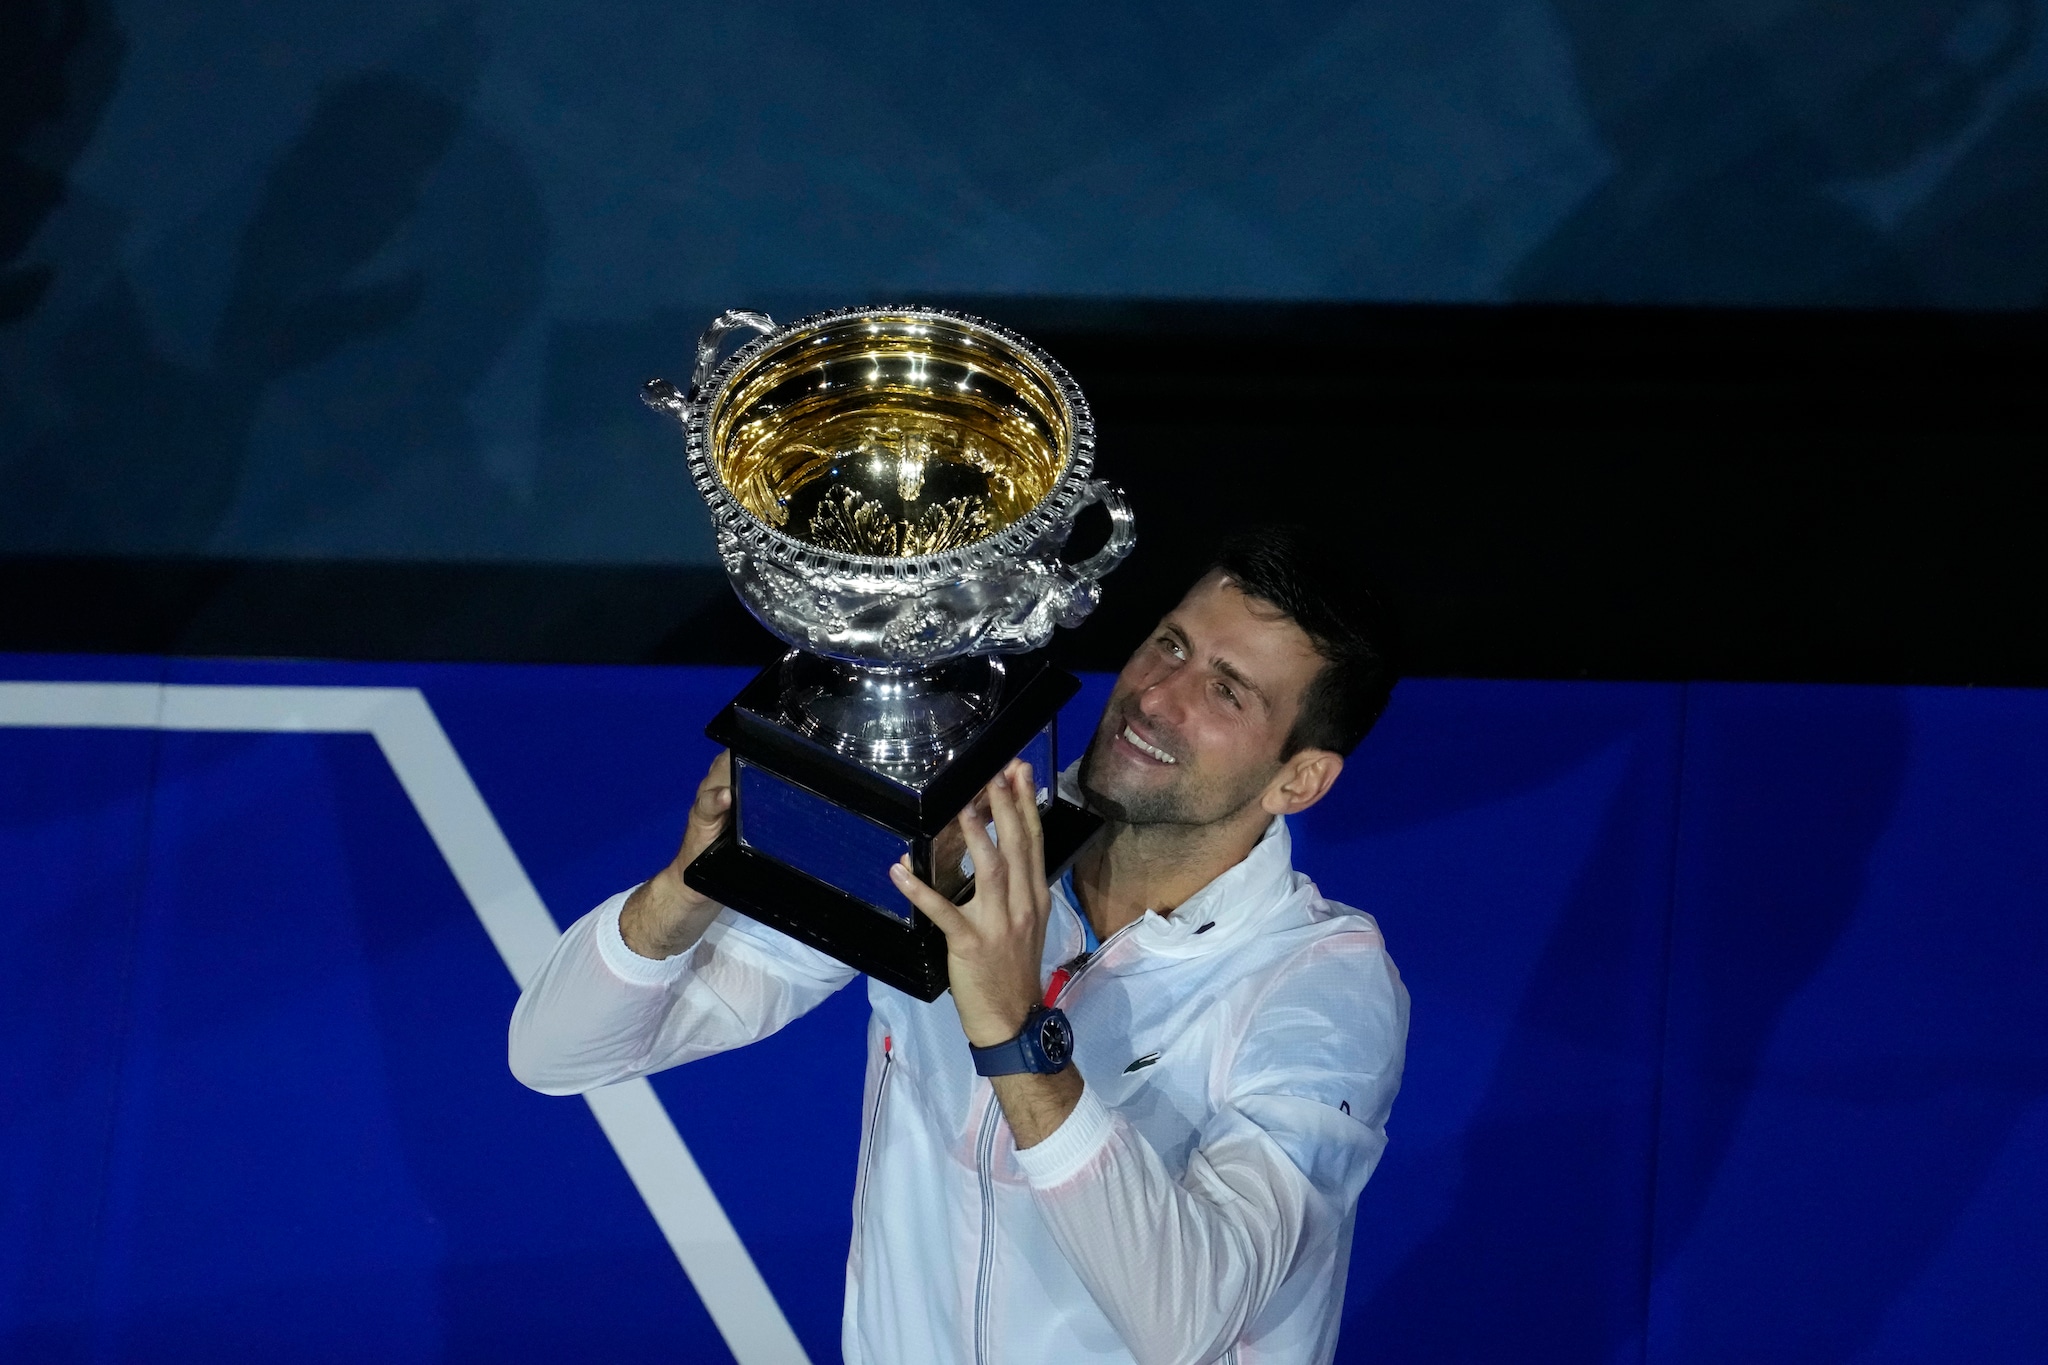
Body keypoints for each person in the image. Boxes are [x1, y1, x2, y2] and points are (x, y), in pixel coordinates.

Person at [509, 525, 1410, 1365]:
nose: (1157, 697)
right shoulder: (970, 832)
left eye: (1226, 689)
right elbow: (552, 1054)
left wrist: (1015, 1029)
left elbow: (1191, 1315)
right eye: (1170, 643)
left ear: (1300, 777)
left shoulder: (1321, 983)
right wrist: (686, 890)